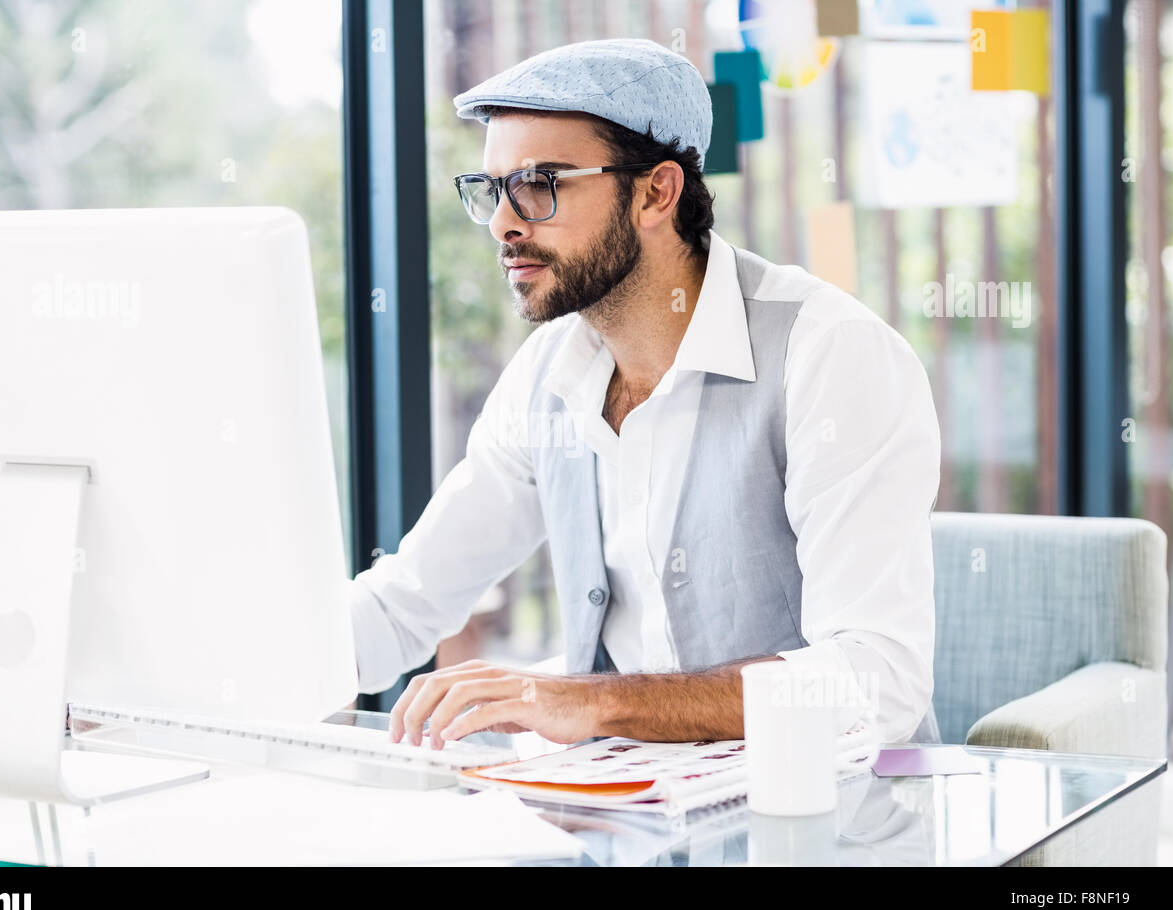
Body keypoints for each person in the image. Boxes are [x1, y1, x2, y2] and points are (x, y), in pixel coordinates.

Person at [349, 38, 942, 751]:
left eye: (540, 185)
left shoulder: (829, 354)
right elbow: (404, 603)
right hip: (625, 826)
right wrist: (218, 688)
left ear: (656, 192)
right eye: (491, 189)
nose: (505, 224)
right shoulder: (545, 377)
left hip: (827, 822)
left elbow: (876, 681)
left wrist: (594, 705)